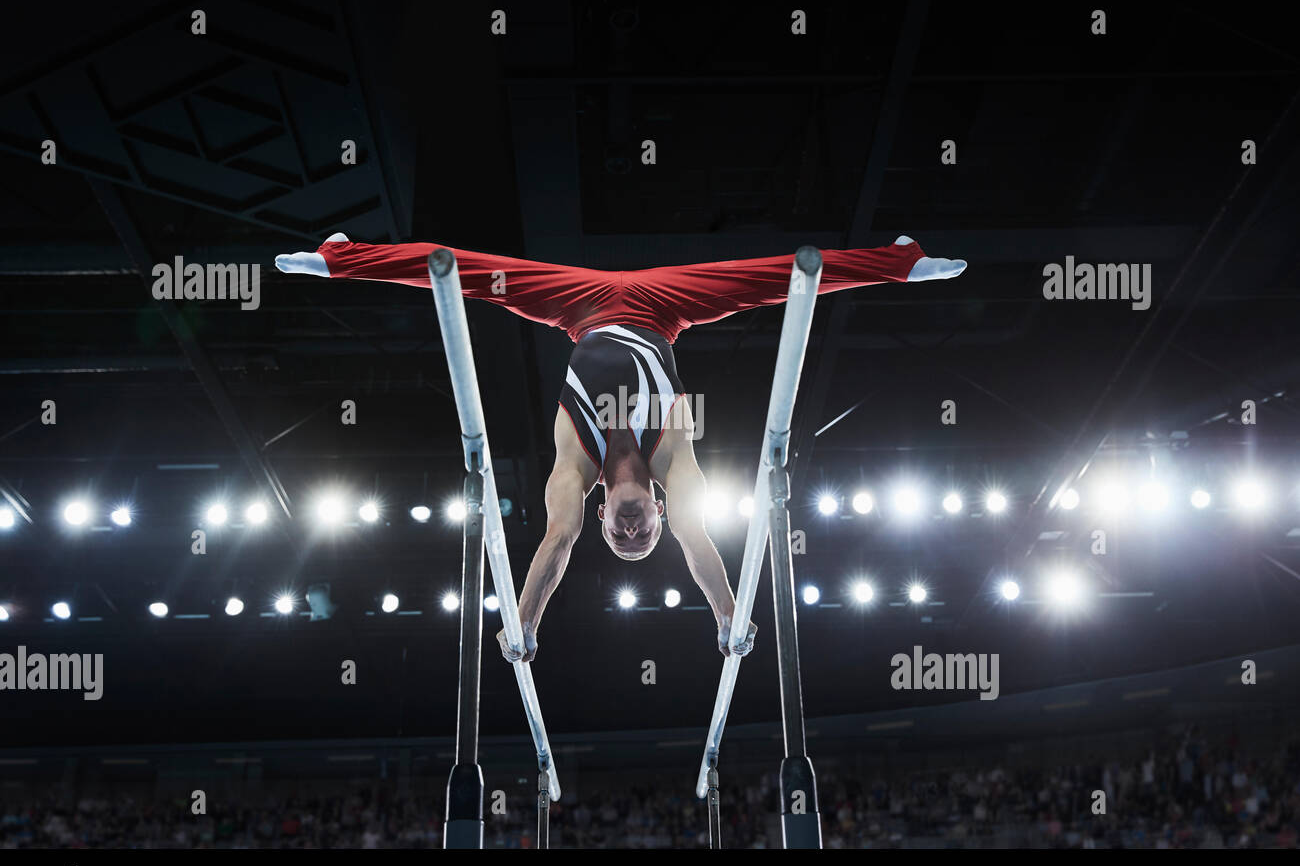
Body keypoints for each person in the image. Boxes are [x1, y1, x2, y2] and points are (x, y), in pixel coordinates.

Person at [276, 234, 966, 662]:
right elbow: (699, 544)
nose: (632, 528)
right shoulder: (676, 463)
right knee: (780, 277)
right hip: (666, 308)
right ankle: (901, 260)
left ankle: (339, 256)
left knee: (457, 269)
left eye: (619, 534)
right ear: (659, 516)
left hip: (578, 309)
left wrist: (522, 627)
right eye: (643, 535)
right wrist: (729, 616)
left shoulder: (572, 472)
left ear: (602, 515)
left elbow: (554, 546)